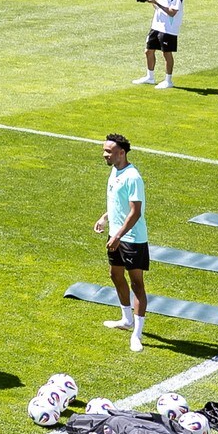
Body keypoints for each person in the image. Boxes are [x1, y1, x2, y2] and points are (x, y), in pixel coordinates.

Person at [95, 133, 147, 353]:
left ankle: (137, 333)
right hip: (116, 235)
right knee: (115, 275)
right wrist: (105, 218)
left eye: (108, 151)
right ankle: (126, 319)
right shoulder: (114, 171)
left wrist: (117, 236)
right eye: (105, 150)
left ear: (121, 153)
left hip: (133, 239)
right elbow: (118, 204)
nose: (104, 154)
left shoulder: (133, 177)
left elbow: (135, 213)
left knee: (137, 284)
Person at [132, 0, 183, 89]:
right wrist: (149, 0)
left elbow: (172, 12)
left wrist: (156, 2)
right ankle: (150, 77)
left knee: (166, 53)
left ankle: (168, 80)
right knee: (148, 51)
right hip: (156, 26)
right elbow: (159, 7)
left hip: (169, 29)